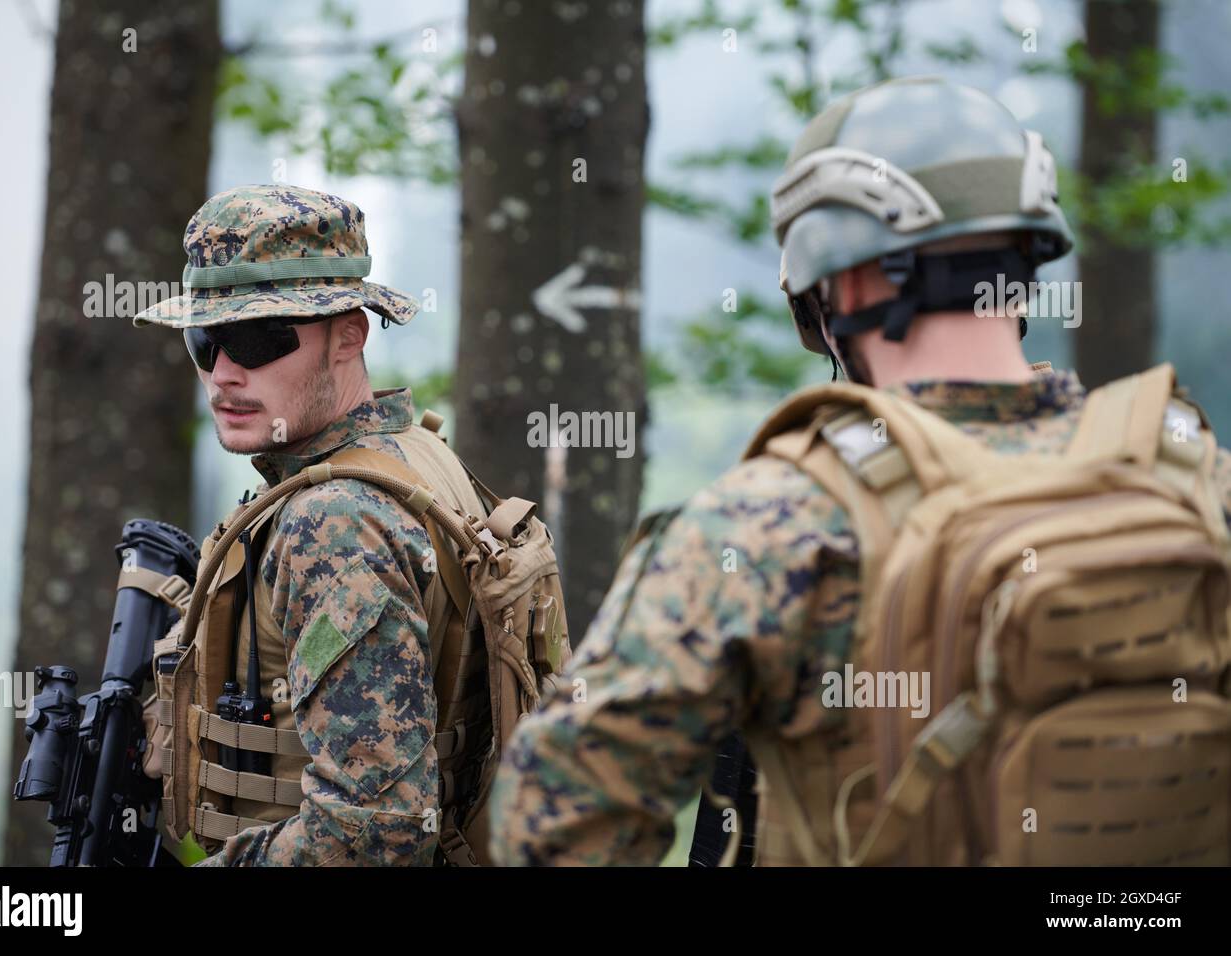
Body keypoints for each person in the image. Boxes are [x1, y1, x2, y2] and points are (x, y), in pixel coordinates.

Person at [489, 76, 1231, 866]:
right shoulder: (1195, 479)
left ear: (836, 284)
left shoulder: (770, 521)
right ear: (1027, 258)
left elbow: (551, 827)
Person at [133, 184, 485, 866]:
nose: (224, 374)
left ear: (349, 334)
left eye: (258, 338)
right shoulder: (419, 454)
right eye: (204, 341)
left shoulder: (333, 521)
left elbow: (371, 833)